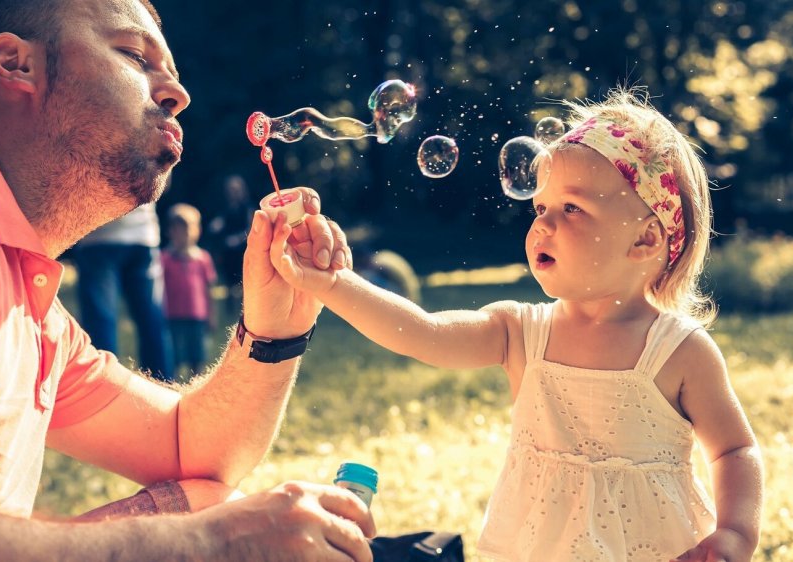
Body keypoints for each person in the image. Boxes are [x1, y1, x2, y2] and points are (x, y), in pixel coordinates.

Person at [0, 0, 374, 560]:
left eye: (176, 78)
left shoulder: (27, 295)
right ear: (16, 64)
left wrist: (273, 329)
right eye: (136, 57)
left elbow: (192, 447)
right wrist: (215, 542)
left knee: (207, 500)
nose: (177, 95)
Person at [267, 88, 764, 562]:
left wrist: (736, 531)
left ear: (646, 239)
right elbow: (421, 331)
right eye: (541, 207)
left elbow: (735, 449)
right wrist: (332, 284)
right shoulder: (521, 333)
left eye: (572, 208)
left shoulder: (679, 352)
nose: (542, 224)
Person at [73, 202, 175, 381]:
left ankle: (102, 388)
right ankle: (163, 390)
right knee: (151, 321)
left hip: (98, 236)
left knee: (101, 322)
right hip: (142, 235)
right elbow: (164, 182)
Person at [162, 203, 217, 378]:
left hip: (198, 318)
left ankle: (197, 388)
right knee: (175, 357)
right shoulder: (163, 259)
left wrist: (212, 315)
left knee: (198, 357)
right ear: (170, 231)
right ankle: (173, 386)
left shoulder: (203, 259)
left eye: (188, 228)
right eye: (178, 229)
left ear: (197, 230)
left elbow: (209, 290)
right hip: (173, 317)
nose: (183, 234)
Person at [208, 173, 257, 315]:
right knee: (229, 282)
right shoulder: (226, 208)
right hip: (228, 251)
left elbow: (251, 228)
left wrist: (238, 239)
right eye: (230, 190)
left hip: (243, 249)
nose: (233, 193)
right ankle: (230, 311)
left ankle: (246, 310)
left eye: (236, 190)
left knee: (245, 280)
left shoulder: (248, 207)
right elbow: (220, 224)